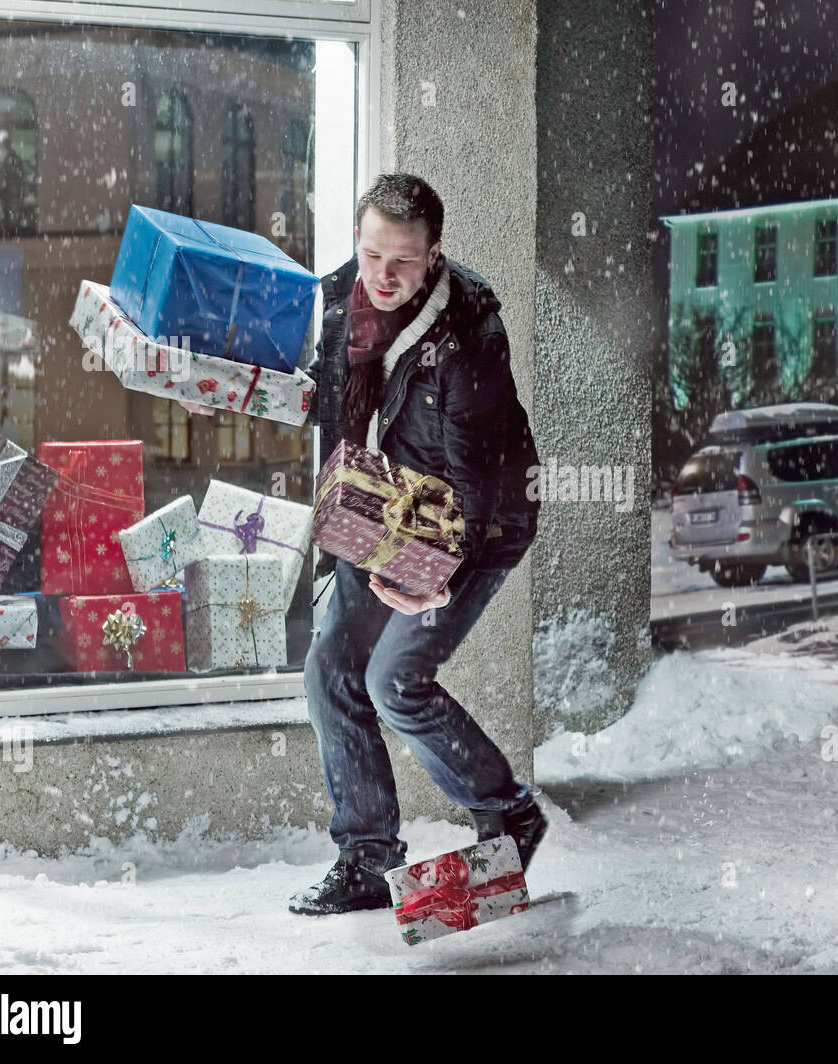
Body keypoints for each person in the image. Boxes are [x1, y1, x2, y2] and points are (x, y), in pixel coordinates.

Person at [285, 173, 544, 914]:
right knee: (332, 663)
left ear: (435, 255)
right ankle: (367, 858)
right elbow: (328, 401)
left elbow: (479, 476)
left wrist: (437, 573)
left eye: (400, 261)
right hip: (386, 504)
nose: (383, 277)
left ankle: (508, 814)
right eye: (371, 256)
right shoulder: (343, 297)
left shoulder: (470, 340)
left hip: (478, 520)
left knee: (394, 679)